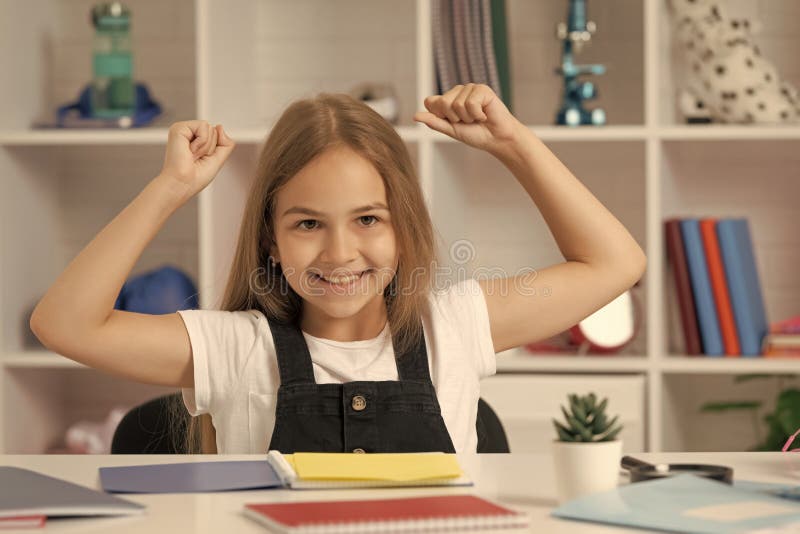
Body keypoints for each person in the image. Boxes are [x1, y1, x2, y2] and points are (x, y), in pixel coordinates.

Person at [30, 83, 646, 454]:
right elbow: (65, 325)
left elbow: (615, 264)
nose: (339, 254)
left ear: (403, 229)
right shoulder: (235, 347)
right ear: (270, 240)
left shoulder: (453, 326)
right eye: (307, 224)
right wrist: (169, 188)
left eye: (368, 220)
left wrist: (515, 144)